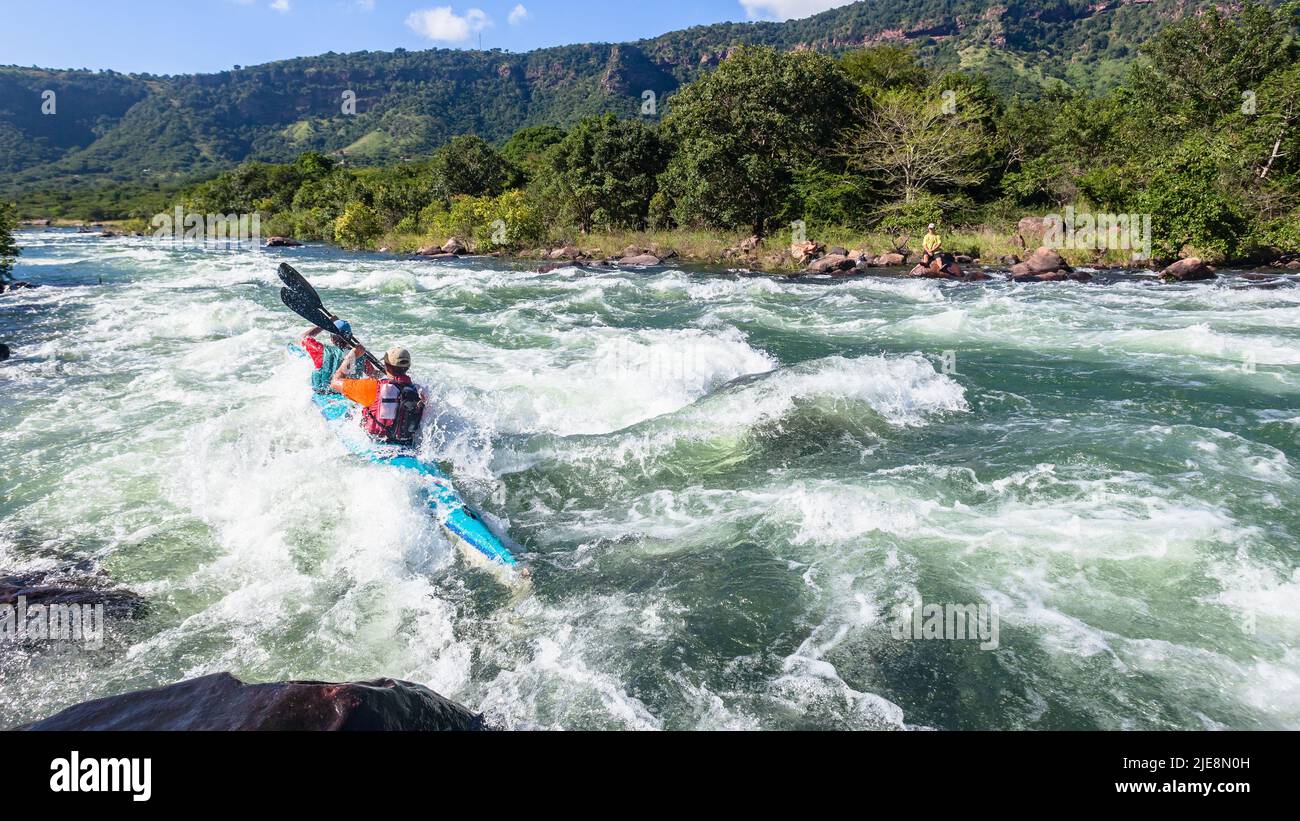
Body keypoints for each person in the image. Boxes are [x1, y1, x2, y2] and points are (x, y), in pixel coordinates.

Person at [330, 345, 428, 446]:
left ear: (386, 365)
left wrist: (351, 356)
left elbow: (335, 382)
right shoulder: (419, 390)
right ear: (408, 367)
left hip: (375, 443)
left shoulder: (373, 387)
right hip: (406, 443)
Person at [302, 319, 373, 394]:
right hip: (349, 398)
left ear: (332, 339)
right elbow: (375, 374)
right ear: (350, 337)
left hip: (322, 395)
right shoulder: (361, 355)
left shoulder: (320, 351)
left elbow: (304, 337)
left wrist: (325, 323)